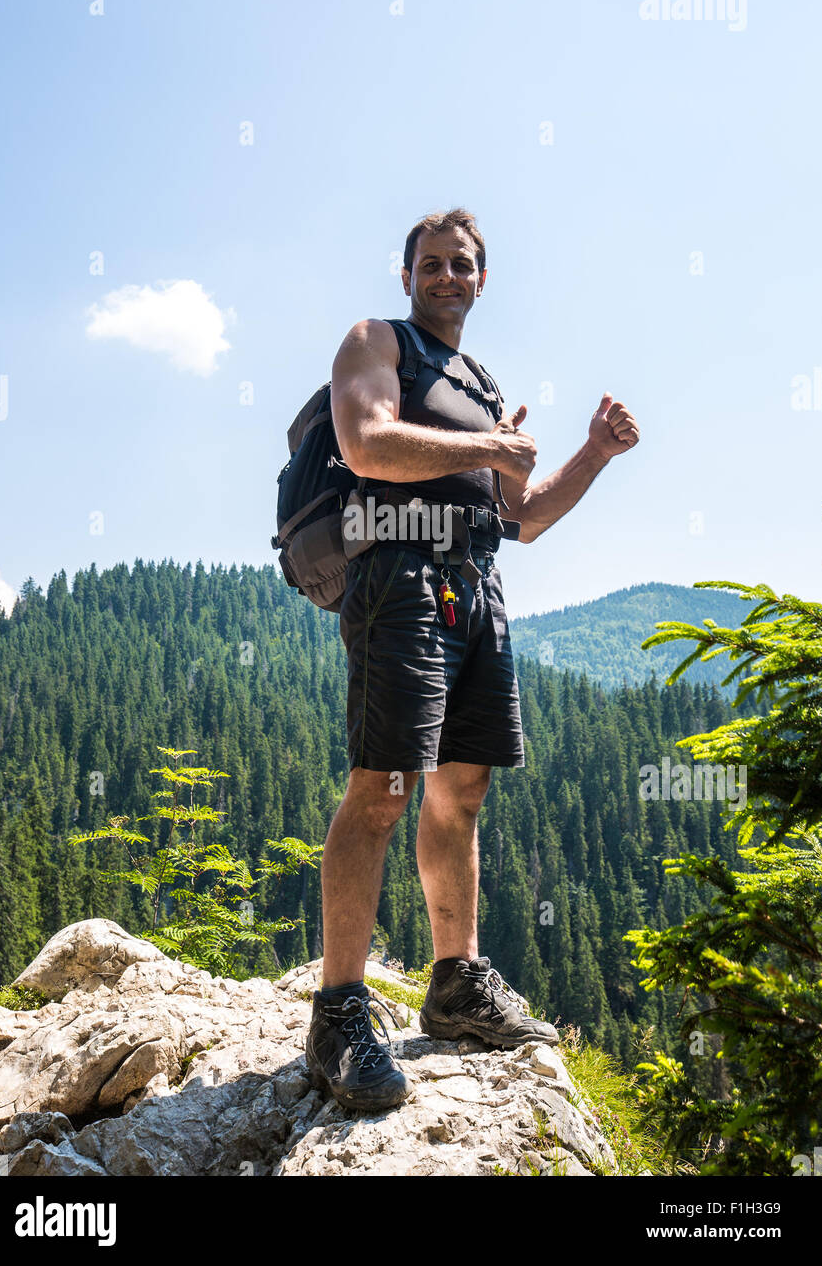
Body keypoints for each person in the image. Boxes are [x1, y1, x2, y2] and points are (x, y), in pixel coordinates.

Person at [305, 208, 640, 1111]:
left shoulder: (481, 383)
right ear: (406, 272)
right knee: (382, 789)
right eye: (432, 263)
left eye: (463, 265)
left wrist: (594, 453)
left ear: (482, 280)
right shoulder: (377, 343)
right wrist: (493, 444)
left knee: (462, 790)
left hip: (476, 588)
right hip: (397, 581)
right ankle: (337, 1015)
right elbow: (364, 441)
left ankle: (454, 984)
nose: (447, 276)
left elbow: (521, 520)